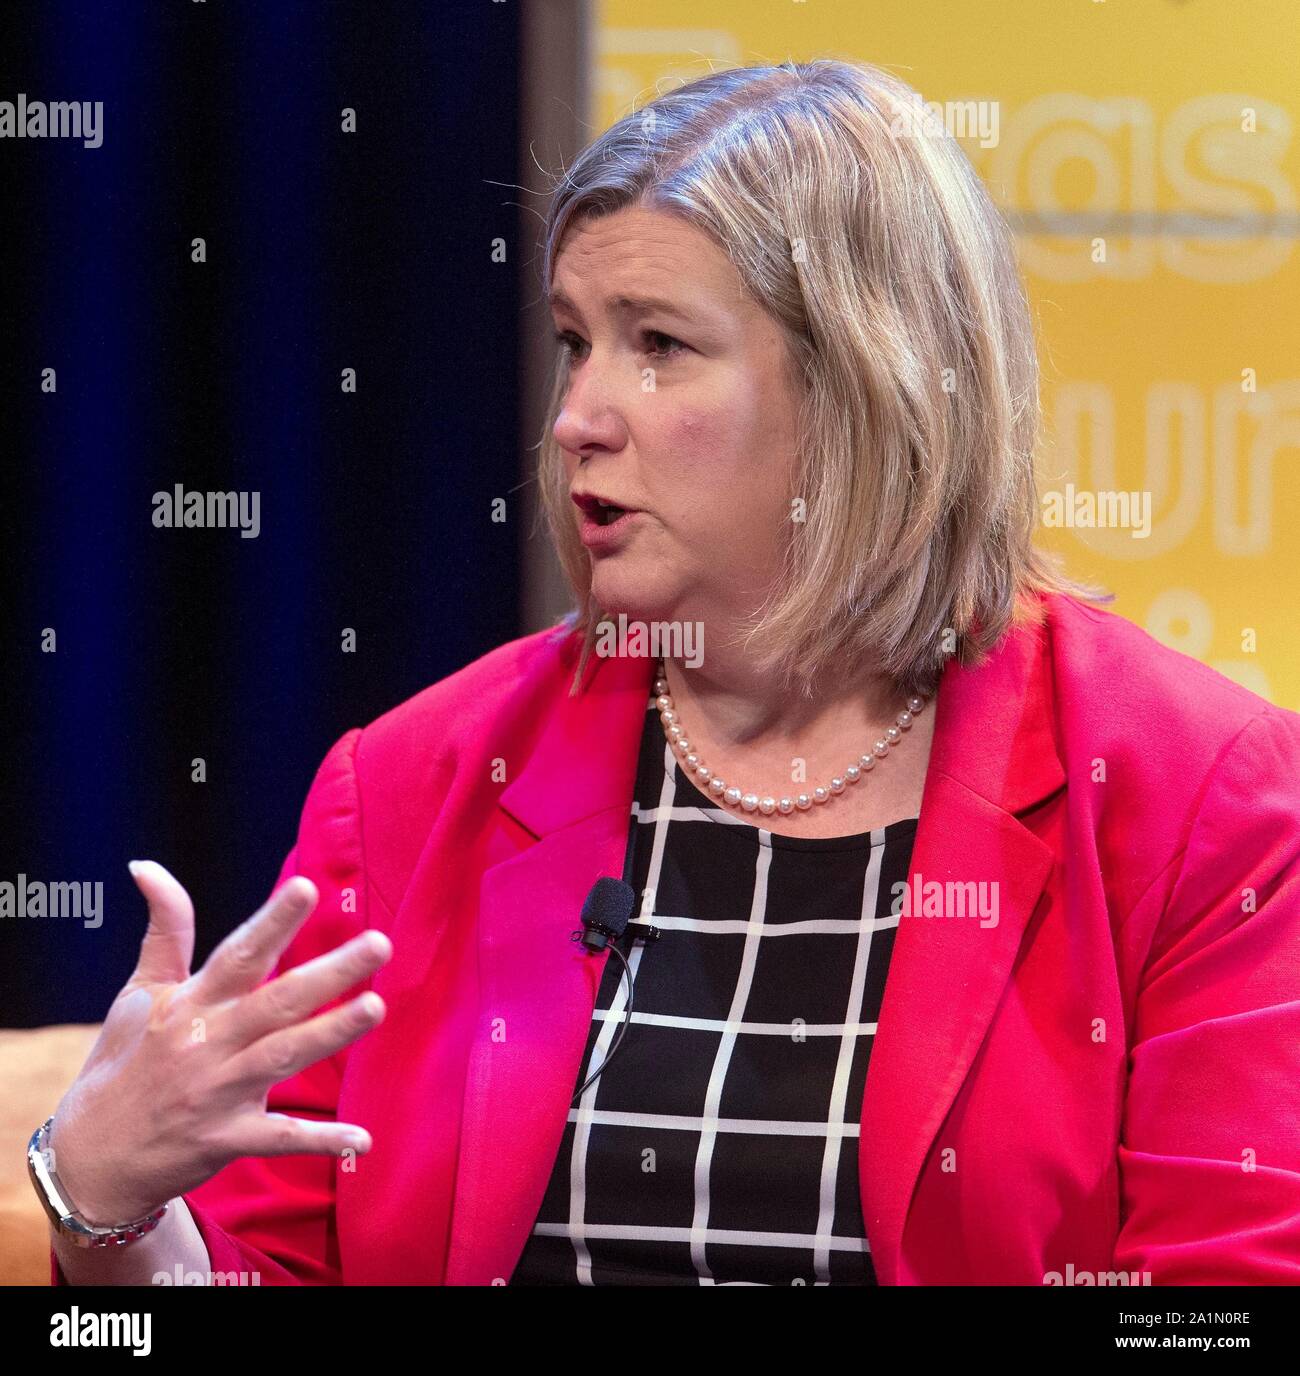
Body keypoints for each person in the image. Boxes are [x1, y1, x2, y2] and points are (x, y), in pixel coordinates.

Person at [38, 58, 1300, 1287]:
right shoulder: (416, 782)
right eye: (574, 342)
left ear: (864, 385)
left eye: (658, 345)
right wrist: (107, 1202)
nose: (581, 413)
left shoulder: (1192, 797)